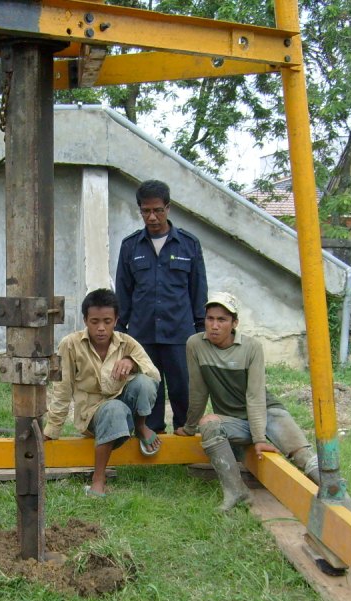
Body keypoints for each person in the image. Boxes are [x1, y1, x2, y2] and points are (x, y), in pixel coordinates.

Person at [175, 292, 328, 511]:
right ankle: (236, 492)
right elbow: (198, 391)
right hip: (237, 421)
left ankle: (342, 501)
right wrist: (190, 427)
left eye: (222, 320)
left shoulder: (251, 347)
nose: (214, 326)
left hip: (268, 413)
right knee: (208, 423)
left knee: (301, 455)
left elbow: (255, 396)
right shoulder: (195, 344)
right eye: (210, 319)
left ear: (234, 323)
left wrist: (259, 438)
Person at [44, 288, 162, 498]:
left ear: (116, 320)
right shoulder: (70, 345)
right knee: (113, 409)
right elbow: (62, 388)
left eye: (107, 321)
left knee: (144, 383)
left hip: (123, 406)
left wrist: (132, 362)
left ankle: (141, 426)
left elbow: (154, 374)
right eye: (94, 321)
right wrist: (52, 430)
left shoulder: (127, 343)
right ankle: (98, 479)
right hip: (92, 414)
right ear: (85, 320)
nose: (101, 328)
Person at [115, 179, 208, 436]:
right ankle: (152, 434)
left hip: (180, 334)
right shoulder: (130, 246)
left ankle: (186, 433)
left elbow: (198, 291)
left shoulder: (189, 245)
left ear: (168, 208)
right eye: (146, 211)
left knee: (183, 388)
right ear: (140, 210)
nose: (152, 216)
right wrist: (120, 334)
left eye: (157, 210)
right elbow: (123, 294)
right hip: (143, 334)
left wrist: (202, 332)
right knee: (149, 387)